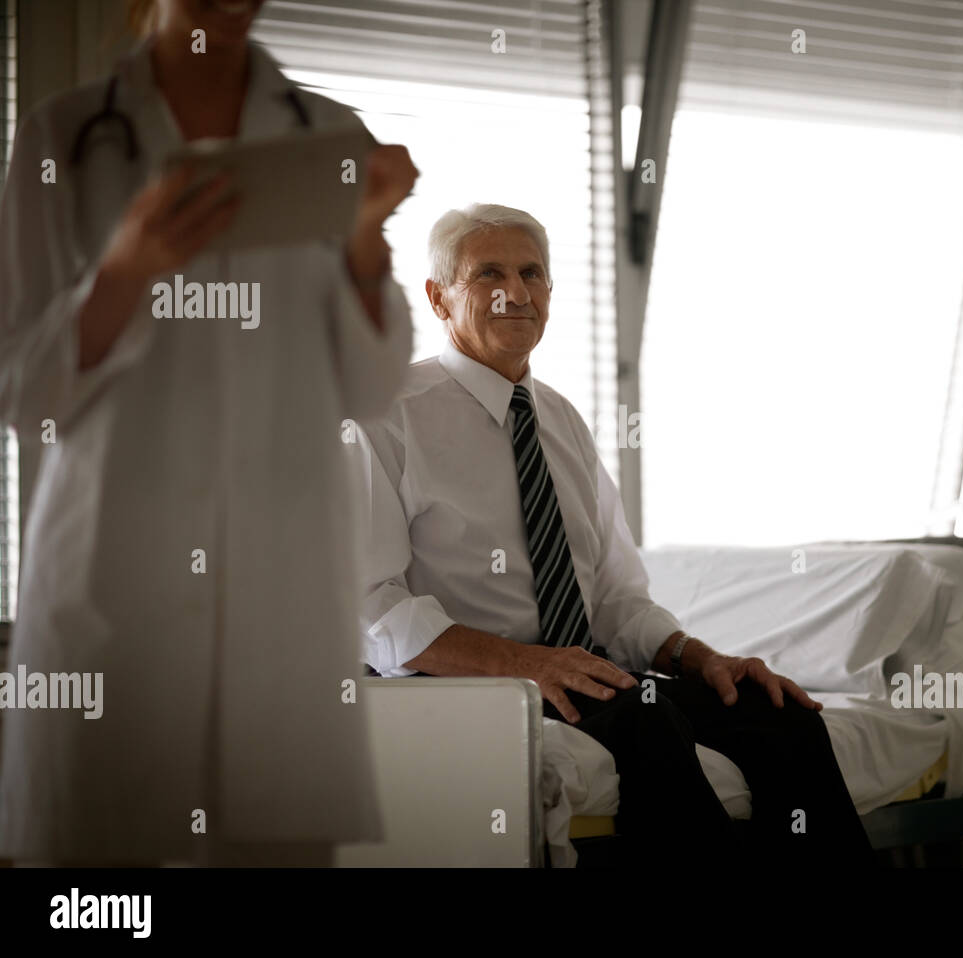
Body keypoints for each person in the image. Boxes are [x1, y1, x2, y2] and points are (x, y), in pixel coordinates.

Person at [0, 0, 417, 865]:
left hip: (284, 600)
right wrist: (123, 272)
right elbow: (23, 396)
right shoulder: (64, 138)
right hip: (111, 588)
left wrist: (365, 238)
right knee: (102, 907)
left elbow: (373, 390)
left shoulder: (329, 140)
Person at [350, 203, 875, 866]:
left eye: (531, 273)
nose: (517, 292)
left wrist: (700, 657)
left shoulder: (562, 421)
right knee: (645, 717)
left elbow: (616, 600)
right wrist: (524, 663)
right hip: (466, 684)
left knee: (775, 714)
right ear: (437, 298)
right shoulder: (384, 416)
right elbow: (370, 606)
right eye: (489, 274)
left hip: (581, 674)